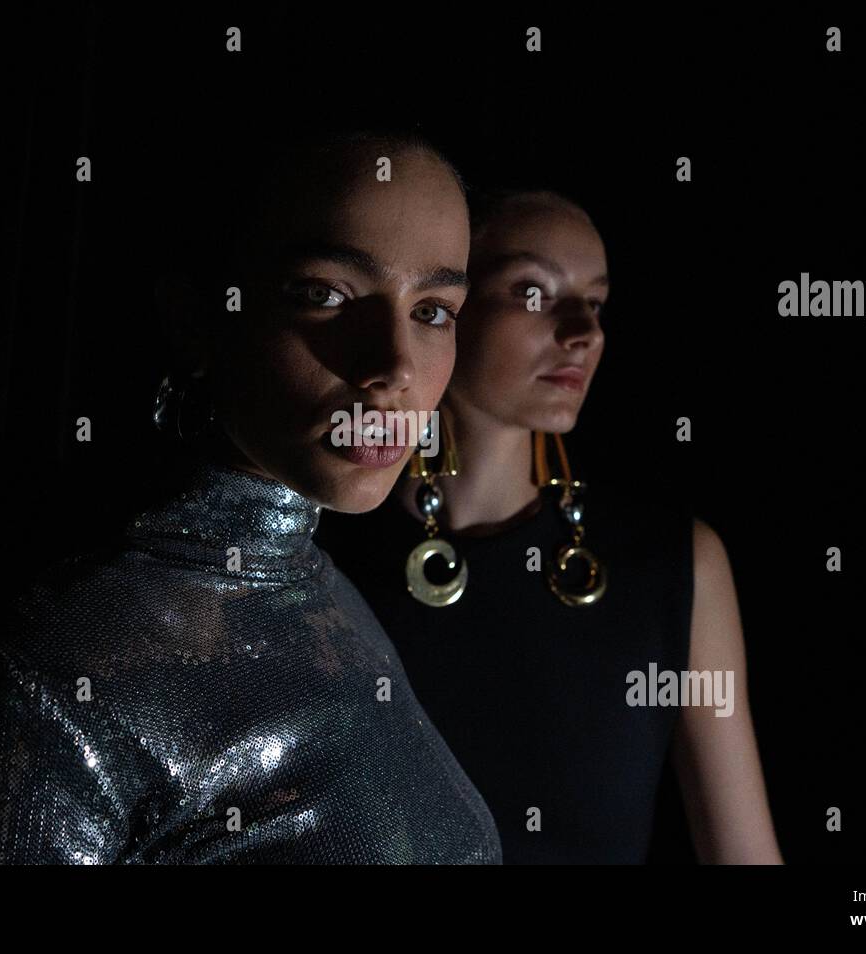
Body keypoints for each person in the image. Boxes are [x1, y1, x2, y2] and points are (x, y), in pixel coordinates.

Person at [0, 129, 502, 864]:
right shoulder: (52, 681)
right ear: (195, 318)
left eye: (432, 311)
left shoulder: (320, 596)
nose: (395, 367)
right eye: (325, 295)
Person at [318, 187, 784, 863]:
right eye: (533, 292)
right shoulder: (309, 543)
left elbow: (744, 852)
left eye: (595, 303)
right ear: (441, 305)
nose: (583, 331)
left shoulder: (673, 562)